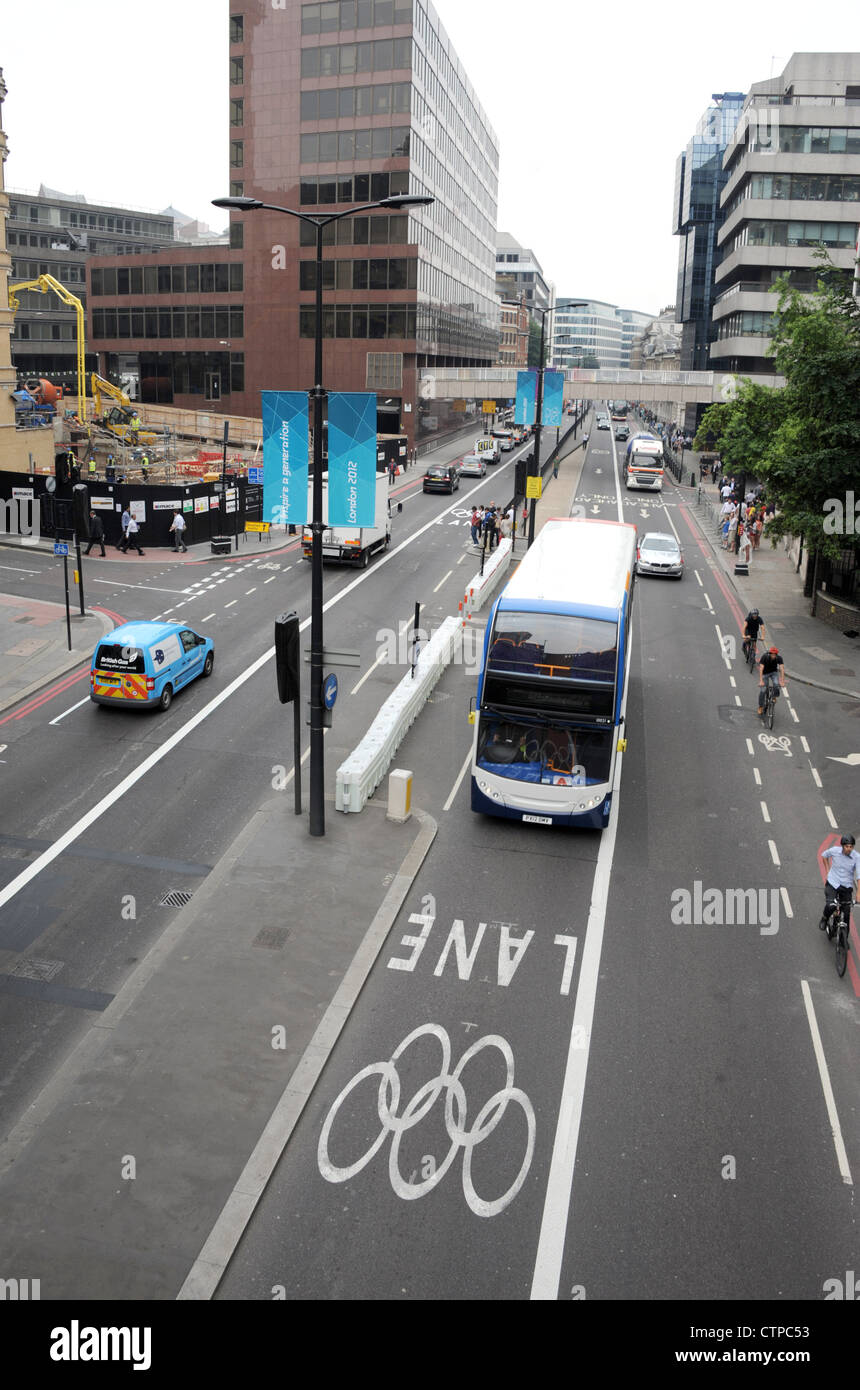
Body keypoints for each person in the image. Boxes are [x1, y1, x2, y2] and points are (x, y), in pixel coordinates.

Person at [819, 835, 860, 929]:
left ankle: (844, 936)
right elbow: (824, 855)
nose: (849, 849)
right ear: (842, 846)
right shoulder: (834, 850)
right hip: (832, 884)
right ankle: (825, 918)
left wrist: (858, 894)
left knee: (846, 913)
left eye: (851, 847)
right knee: (831, 906)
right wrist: (828, 871)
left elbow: (859, 876)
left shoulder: (857, 857)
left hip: (846, 886)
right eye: (847, 846)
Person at [758, 645, 785, 716]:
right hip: (765, 673)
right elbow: (761, 668)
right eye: (772, 654)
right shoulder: (764, 657)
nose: (773, 656)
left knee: (776, 684)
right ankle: (760, 706)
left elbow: (782, 669)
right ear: (769, 654)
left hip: (774, 673)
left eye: (774, 655)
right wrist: (761, 680)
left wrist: (782, 681)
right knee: (763, 691)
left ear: (776, 654)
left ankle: (774, 696)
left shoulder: (779, 658)